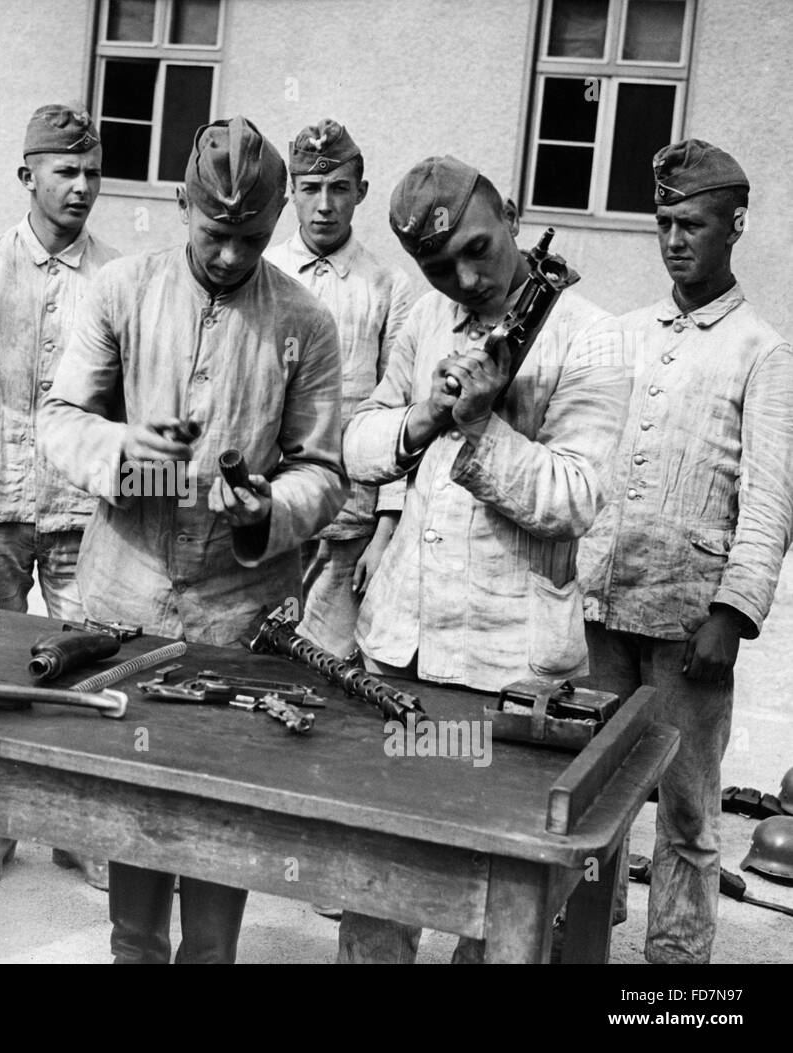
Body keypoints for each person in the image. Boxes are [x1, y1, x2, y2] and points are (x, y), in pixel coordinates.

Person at [40, 115, 346, 963]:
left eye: (251, 240)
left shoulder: (305, 322)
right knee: (135, 806)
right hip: (124, 599)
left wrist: (267, 513)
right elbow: (60, 422)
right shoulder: (119, 291)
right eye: (214, 236)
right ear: (181, 205)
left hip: (242, 612)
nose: (228, 258)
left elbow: (323, 472)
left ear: (276, 223)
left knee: (223, 809)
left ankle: (210, 958)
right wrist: (125, 454)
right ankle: (132, 948)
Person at [338, 155, 629, 963]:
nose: (464, 278)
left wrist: (483, 428)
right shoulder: (422, 320)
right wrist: (426, 416)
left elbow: (577, 494)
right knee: (381, 885)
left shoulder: (591, 333)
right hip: (403, 657)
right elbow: (357, 443)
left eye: (477, 249)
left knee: (496, 908)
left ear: (509, 214)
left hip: (509, 675)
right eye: (439, 267)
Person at [578, 140, 793, 964]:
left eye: (692, 223)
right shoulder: (626, 335)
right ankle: (583, 945)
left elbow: (770, 503)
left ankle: (674, 975)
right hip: (603, 608)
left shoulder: (763, 353)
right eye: (664, 223)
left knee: (690, 810)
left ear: (734, 226)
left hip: (689, 627)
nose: (675, 239)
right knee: (589, 798)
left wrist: (731, 617)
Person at [0, 104, 119, 889]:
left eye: (90, 172)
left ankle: (77, 828)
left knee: (87, 674)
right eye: (64, 171)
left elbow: (125, 407)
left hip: (84, 515)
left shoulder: (119, 276)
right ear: (28, 176)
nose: (80, 187)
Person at [264, 118, 413, 658]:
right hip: (270, 513)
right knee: (247, 661)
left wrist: (386, 528)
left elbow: (402, 413)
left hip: (348, 520)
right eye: (310, 189)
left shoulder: (388, 285)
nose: (324, 204)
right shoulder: (262, 271)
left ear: (361, 193)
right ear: (292, 194)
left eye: (339, 189)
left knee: (327, 670)